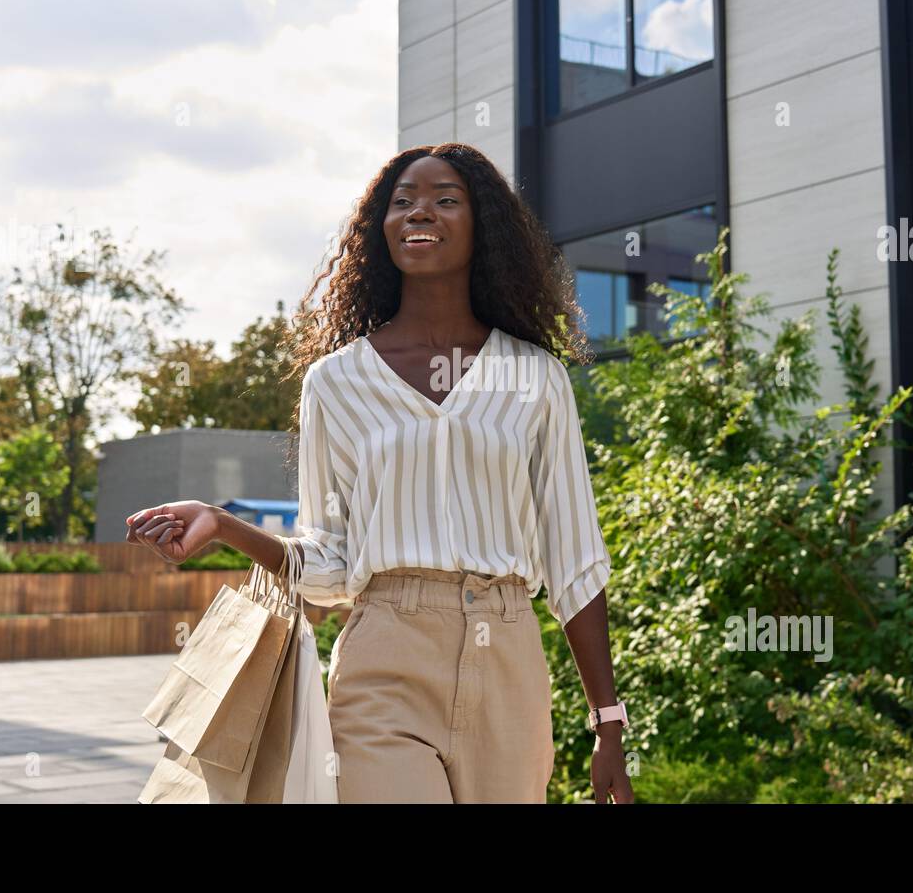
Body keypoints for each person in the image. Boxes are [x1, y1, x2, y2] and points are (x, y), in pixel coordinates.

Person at [127, 142, 633, 804]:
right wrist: (225, 526)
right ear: (382, 228)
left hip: (509, 658)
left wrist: (608, 723)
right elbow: (329, 564)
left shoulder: (535, 377)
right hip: (385, 656)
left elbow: (574, 558)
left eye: (445, 199)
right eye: (403, 201)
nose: (420, 211)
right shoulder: (335, 382)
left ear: (483, 228)